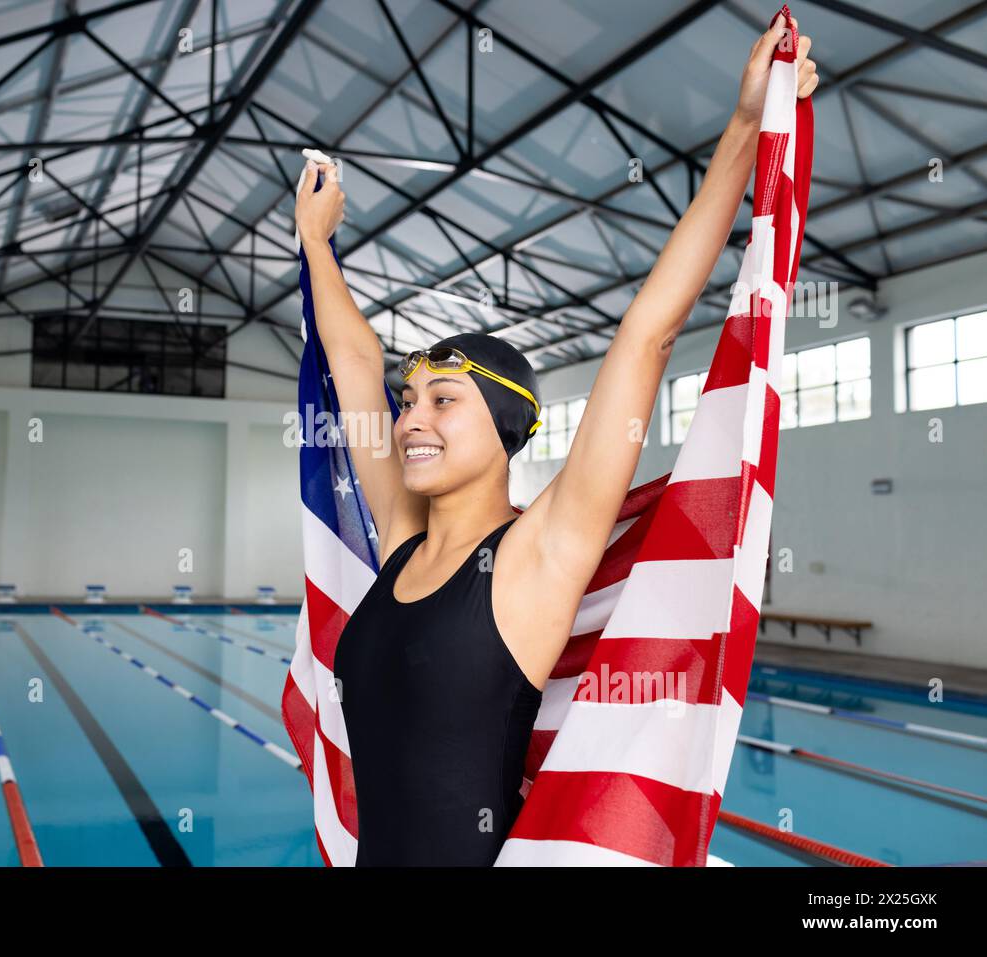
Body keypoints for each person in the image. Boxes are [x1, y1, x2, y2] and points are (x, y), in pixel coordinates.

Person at [293, 14, 818, 866]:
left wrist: (744, 128)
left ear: (505, 430)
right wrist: (317, 246)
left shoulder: (539, 555)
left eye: (442, 401)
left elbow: (647, 334)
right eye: (410, 400)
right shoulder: (398, 543)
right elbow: (356, 362)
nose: (411, 418)